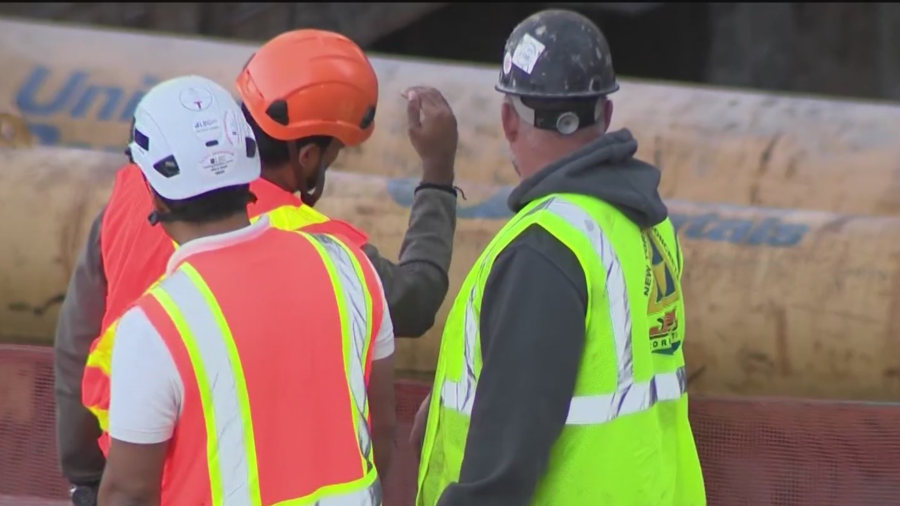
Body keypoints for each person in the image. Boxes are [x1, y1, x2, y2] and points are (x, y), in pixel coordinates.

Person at [55, 29, 458, 503]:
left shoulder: (131, 192)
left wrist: (86, 478)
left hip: (127, 468)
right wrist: (437, 175)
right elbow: (416, 300)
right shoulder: (333, 253)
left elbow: (77, 341)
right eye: (334, 153)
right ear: (308, 156)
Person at [413, 9, 706, 506]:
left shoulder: (545, 249)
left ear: (509, 120)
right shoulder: (647, 227)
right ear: (606, 113)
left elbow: (501, 472)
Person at [95, 75, 390, 506]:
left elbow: (129, 492)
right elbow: (384, 432)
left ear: (154, 194)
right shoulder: (349, 267)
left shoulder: (155, 325)